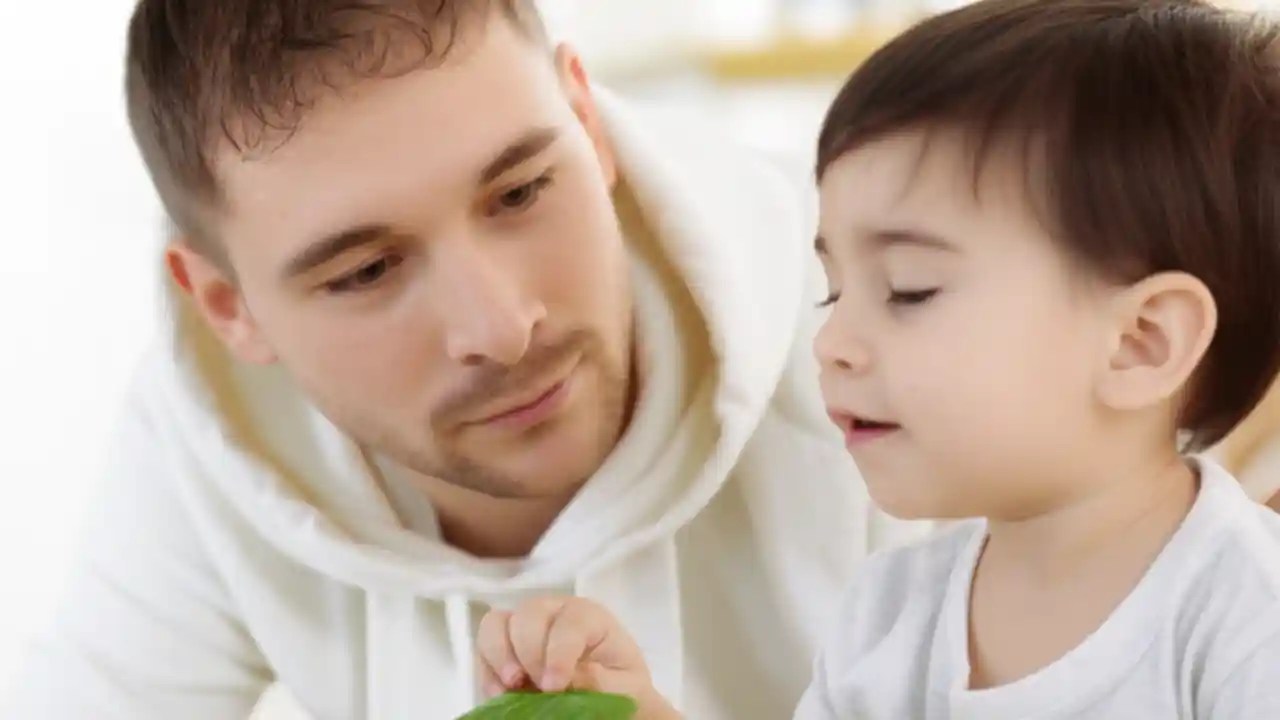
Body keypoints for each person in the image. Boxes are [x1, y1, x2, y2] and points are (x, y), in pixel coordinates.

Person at [7, 1, 926, 718]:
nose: (501, 327)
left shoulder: (888, 318)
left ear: (587, 121)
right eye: (366, 271)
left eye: (522, 190)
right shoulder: (215, 434)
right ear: (226, 308)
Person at [472, 1, 1280, 718]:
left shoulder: (1243, 614)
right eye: (832, 293)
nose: (832, 343)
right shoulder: (892, 611)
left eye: (909, 290)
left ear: (1142, 342)